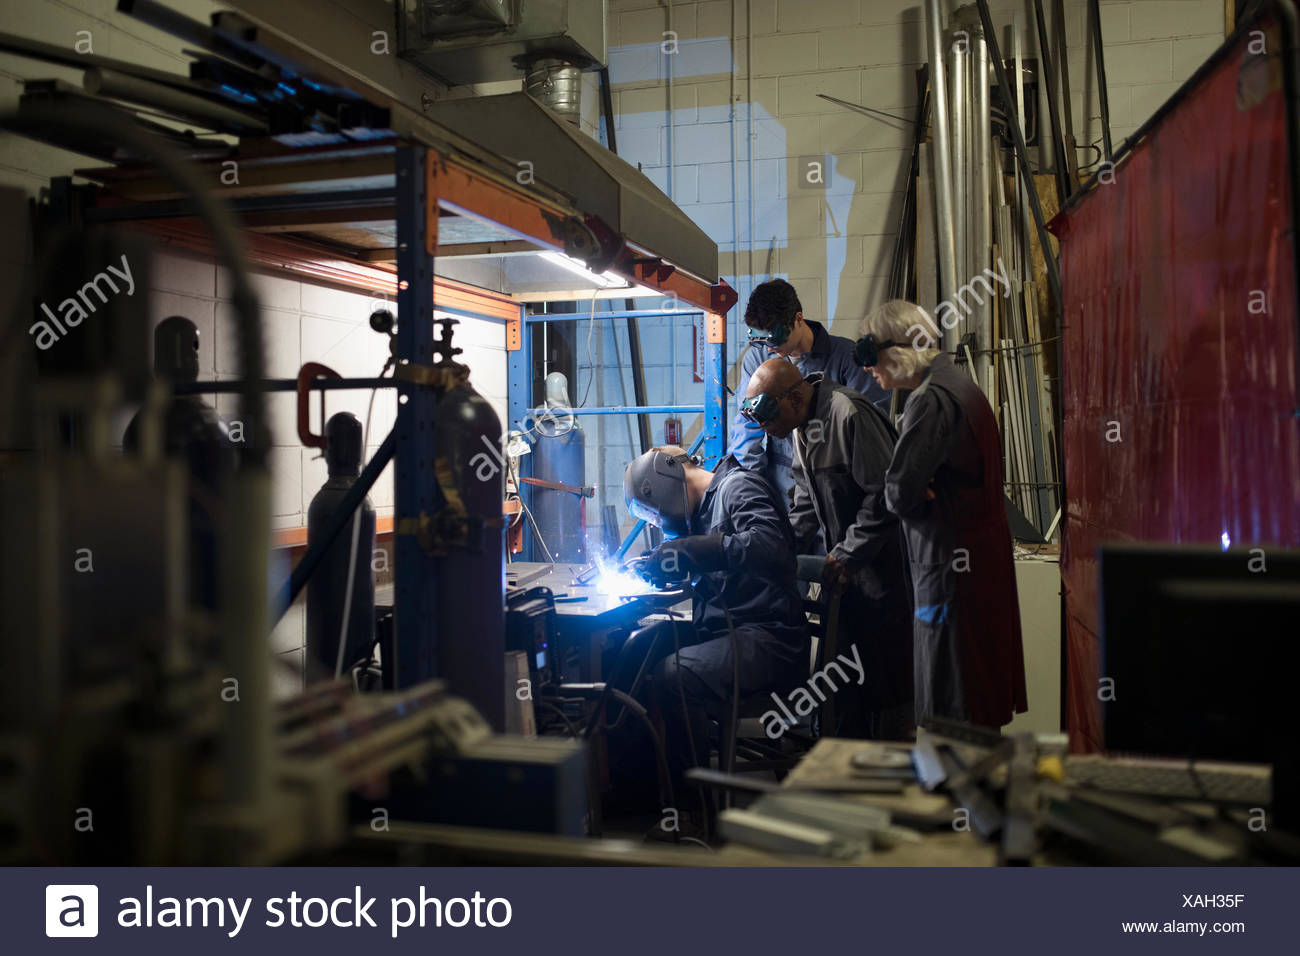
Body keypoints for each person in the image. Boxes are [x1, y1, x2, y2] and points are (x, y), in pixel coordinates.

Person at [856, 300, 1027, 729]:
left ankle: (957, 793)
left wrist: (909, 485)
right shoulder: (959, 385)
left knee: (953, 701)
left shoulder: (931, 400)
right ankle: (970, 789)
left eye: (871, 358)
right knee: (976, 692)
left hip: (950, 569)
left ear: (897, 350)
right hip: (974, 563)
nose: (868, 371)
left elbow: (897, 491)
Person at [623, 446, 808, 808]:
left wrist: (695, 550)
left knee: (675, 675)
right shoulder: (703, 514)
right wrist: (658, 566)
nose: (660, 524)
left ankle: (694, 810)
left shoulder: (739, 488)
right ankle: (639, 794)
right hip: (729, 630)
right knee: (636, 652)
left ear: (663, 480)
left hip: (770, 637)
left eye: (655, 517)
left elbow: (771, 546)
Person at [742, 359, 913, 739]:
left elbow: (886, 496)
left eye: (769, 414)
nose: (767, 428)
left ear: (796, 394)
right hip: (851, 581)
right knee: (846, 690)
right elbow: (804, 502)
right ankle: (847, 778)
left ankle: (896, 782)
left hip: (886, 580)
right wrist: (781, 552)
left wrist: (848, 553)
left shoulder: (847, 413)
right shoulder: (801, 428)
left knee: (889, 691)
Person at [731, 279, 891, 510]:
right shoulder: (757, 360)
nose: (768, 348)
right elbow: (747, 427)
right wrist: (756, 491)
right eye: (761, 340)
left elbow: (873, 428)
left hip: (839, 487)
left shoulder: (846, 358)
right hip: (782, 487)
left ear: (798, 318)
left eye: (775, 339)